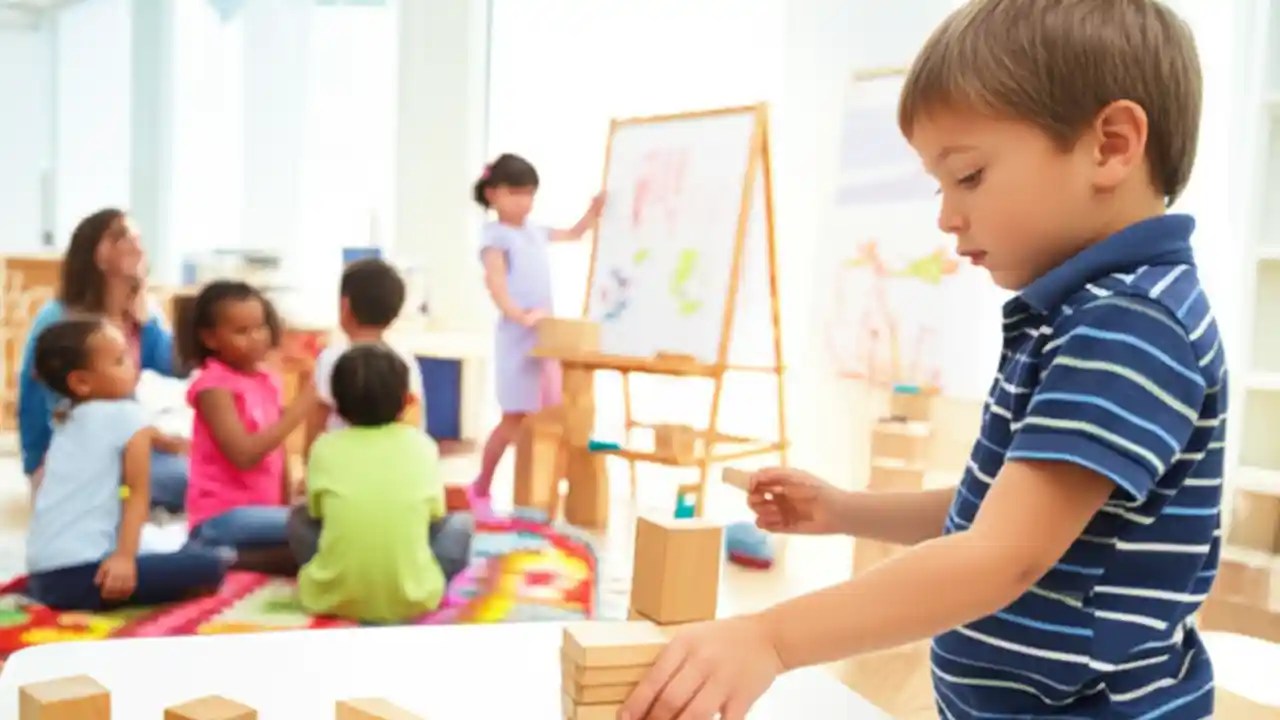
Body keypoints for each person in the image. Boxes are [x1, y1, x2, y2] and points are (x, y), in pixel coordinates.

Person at [621, 1, 1223, 718]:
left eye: (967, 177)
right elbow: (997, 513)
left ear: (1111, 145)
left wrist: (771, 638)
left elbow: (1003, 554)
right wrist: (846, 510)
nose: (945, 215)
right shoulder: (1083, 314)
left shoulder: (1127, 324)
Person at [25, 317, 229, 610]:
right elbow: (136, 493)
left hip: (44, 575)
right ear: (81, 381)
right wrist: (123, 559)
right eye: (119, 360)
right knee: (213, 563)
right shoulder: (127, 416)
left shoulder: (66, 413)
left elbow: (135, 434)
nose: (133, 364)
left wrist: (167, 442)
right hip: (88, 576)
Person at [18, 208, 189, 511]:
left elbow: (172, 370)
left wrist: (147, 320)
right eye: (121, 237)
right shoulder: (59, 318)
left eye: (137, 237)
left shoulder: (143, 312)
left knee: (206, 471)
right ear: (94, 253)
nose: (136, 246)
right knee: (191, 479)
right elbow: (48, 409)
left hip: (131, 440)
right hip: (74, 451)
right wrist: (37, 467)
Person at [288, 343, 473, 623]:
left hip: (331, 597)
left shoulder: (324, 447)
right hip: (415, 598)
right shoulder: (422, 445)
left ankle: (333, 576)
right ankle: (418, 579)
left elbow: (316, 513)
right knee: (461, 523)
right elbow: (435, 514)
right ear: (406, 400)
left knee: (298, 517)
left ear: (336, 404)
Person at [469, 153, 604, 516]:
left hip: (544, 336)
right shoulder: (495, 237)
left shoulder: (534, 231)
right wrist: (520, 315)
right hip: (518, 336)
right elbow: (496, 285)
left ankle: (546, 489)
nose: (523, 202)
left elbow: (574, 234)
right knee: (514, 416)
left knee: (552, 410)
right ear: (494, 193)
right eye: (515, 193)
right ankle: (481, 485)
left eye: (529, 194)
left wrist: (593, 212)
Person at [181, 280, 314, 560]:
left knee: (316, 541)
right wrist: (299, 409)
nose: (256, 338)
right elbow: (243, 454)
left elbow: (277, 455)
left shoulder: (267, 380)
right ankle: (216, 556)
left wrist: (287, 502)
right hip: (222, 519)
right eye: (242, 331)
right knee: (317, 529)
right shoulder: (212, 387)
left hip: (263, 517)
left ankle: (229, 560)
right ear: (210, 338)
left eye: (260, 327)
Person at [303, 258, 426, 456]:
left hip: (341, 466)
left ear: (345, 306)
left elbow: (317, 422)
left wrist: (309, 463)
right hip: (391, 464)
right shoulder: (404, 360)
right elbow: (414, 421)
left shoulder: (330, 359)